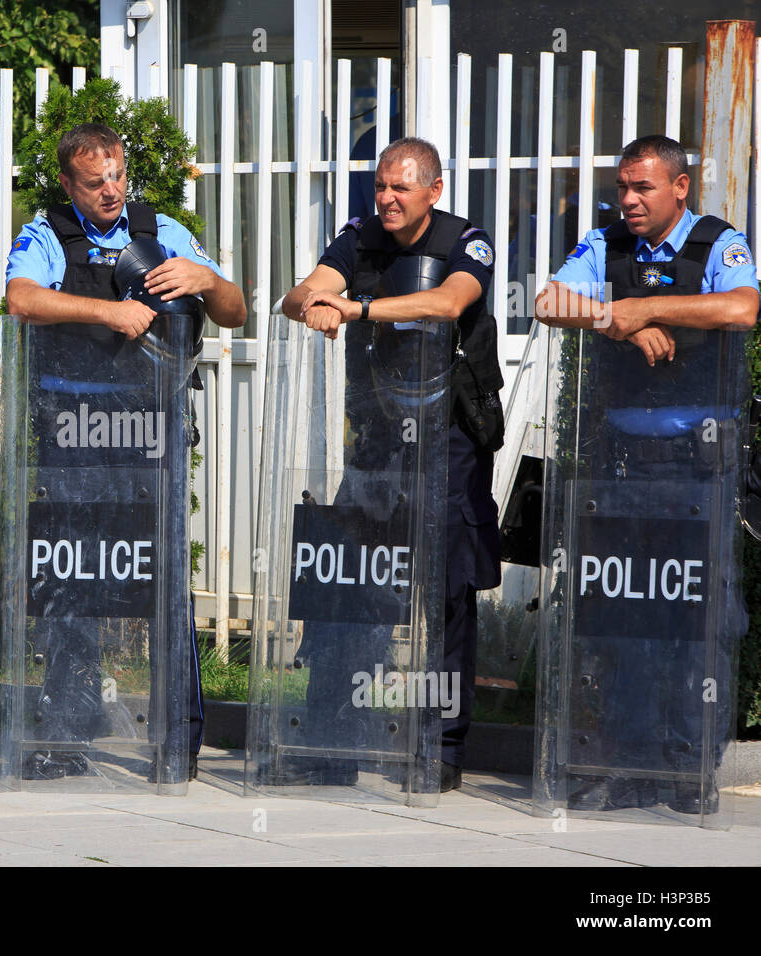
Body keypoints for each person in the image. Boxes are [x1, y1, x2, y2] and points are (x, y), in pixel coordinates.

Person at [4, 122, 246, 781]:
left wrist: (204, 278)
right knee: (73, 578)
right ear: (67, 184)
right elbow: (19, 299)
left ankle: (177, 744)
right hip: (74, 432)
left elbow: (236, 310)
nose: (110, 191)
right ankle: (66, 734)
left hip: (151, 426)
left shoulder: (160, 227)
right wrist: (107, 313)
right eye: (94, 182)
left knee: (166, 578)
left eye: (117, 176)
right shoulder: (49, 236)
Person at [534, 134, 758, 814]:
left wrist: (650, 307)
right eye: (623, 189)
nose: (628, 201)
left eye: (643, 189)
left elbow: (743, 308)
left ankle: (689, 770)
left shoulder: (718, 245)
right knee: (622, 615)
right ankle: (630, 763)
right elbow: (549, 301)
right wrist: (617, 321)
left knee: (701, 621)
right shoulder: (607, 245)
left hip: (700, 464)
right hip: (624, 465)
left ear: (680, 187)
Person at [280, 136, 505, 793]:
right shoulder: (359, 239)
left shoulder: (467, 242)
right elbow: (297, 296)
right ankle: (332, 743)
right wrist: (316, 304)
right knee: (353, 587)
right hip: (376, 443)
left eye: (400, 188)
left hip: (448, 443)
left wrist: (357, 308)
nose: (386, 198)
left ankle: (441, 751)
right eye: (380, 186)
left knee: (447, 597)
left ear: (433, 191)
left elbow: (448, 303)